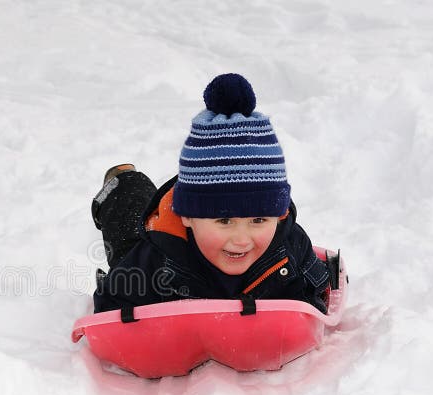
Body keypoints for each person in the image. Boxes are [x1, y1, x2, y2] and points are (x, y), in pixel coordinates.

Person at [90, 73, 330, 314]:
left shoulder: (289, 244)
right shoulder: (155, 257)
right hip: (158, 243)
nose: (241, 239)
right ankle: (124, 180)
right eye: (224, 220)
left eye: (258, 220)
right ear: (187, 216)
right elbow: (112, 303)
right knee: (129, 227)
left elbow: (316, 293)